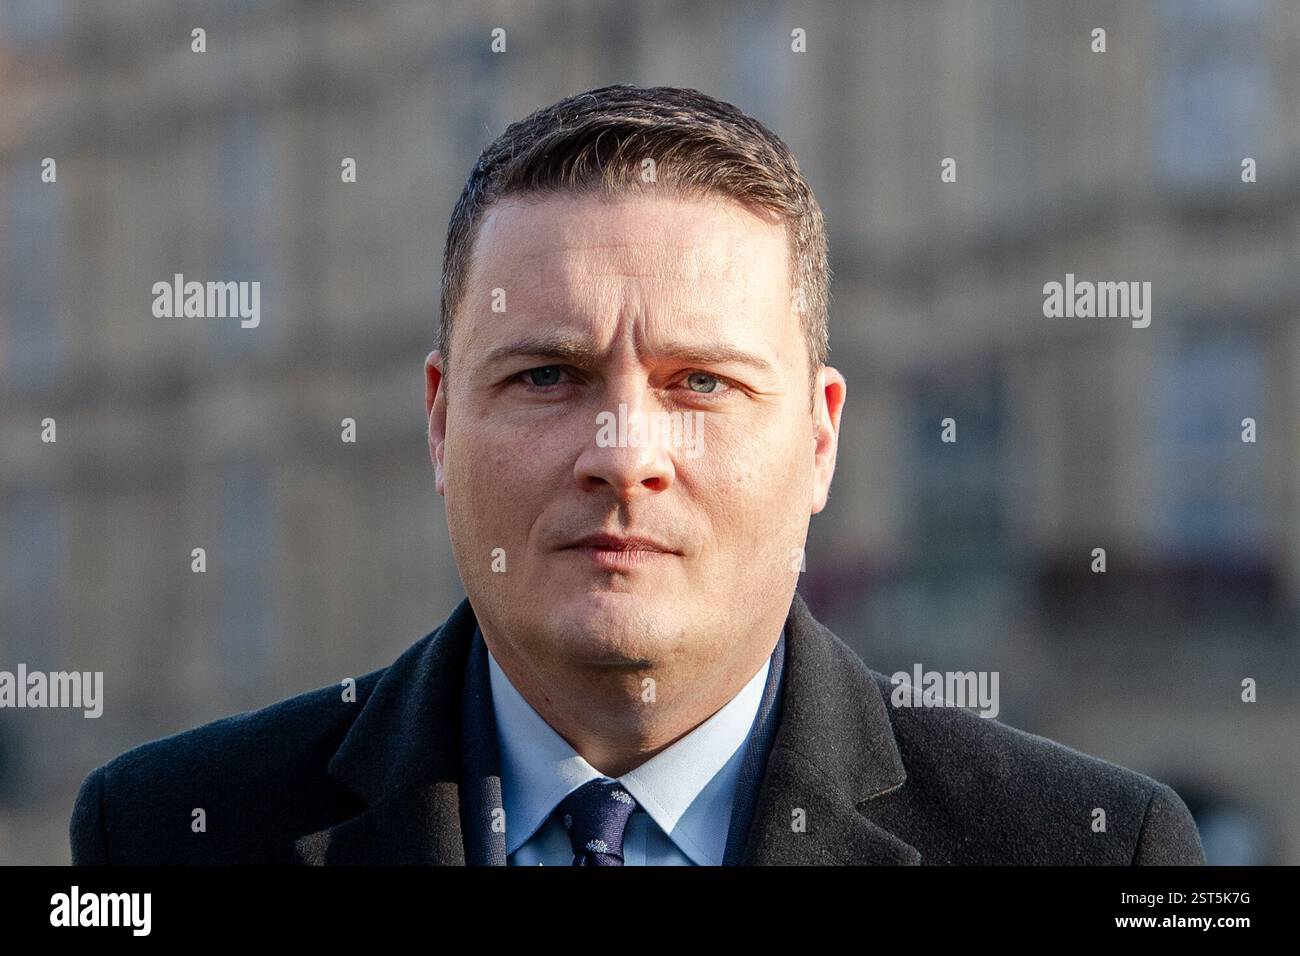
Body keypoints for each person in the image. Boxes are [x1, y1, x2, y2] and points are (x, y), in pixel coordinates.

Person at [70, 84, 1205, 865]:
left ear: (819, 439)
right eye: (548, 376)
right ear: (438, 417)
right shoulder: (169, 830)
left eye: (700, 382)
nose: (623, 453)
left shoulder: (1086, 846)